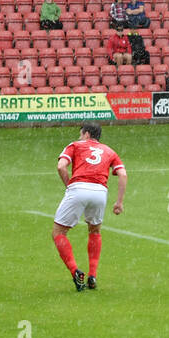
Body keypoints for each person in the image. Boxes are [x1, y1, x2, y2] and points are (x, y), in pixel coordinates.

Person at [51, 122, 127, 291]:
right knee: (94, 230)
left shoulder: (75, 145)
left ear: (85, 134)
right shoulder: (109, 151)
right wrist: (119, 202)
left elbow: (61, 166)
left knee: (59, 232)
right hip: (100, 192)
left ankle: (75, 270)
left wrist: (68, 184)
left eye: (81, 134)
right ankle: (92, 275)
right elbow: (122, 173)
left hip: (78, 188)